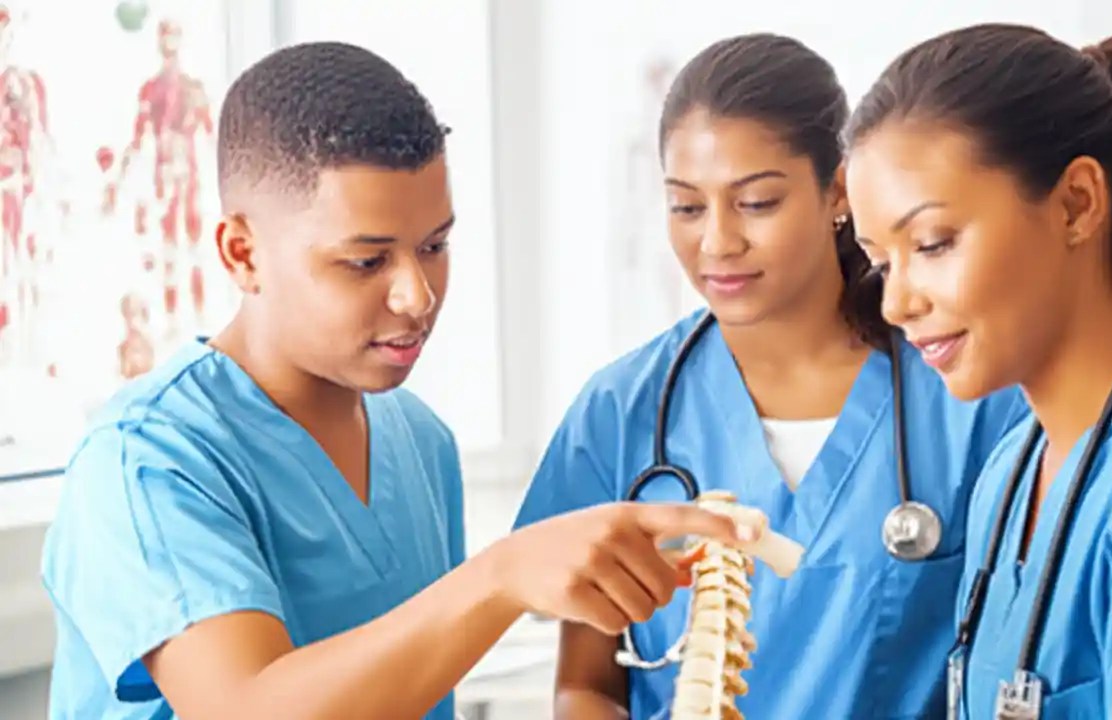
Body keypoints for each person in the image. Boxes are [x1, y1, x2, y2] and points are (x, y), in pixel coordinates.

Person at [39, 41, 756, 720]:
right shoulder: (146, 461)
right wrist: (502, 576)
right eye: (365, 261)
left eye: (434, 246)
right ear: (242, 253)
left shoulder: (419, 442)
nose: (418, 294)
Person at [514, 33, 1028, 719]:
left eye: (756, 203)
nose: (717, 242)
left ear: (838, 190)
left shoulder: (968, 395)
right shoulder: (620, 413)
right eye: (687, 206)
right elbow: (586, 684)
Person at [844, 23, 1112, 719]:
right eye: (880, 261)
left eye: (932, 243)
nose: (897, 303)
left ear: (1077, 203)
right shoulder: (1010, 475)